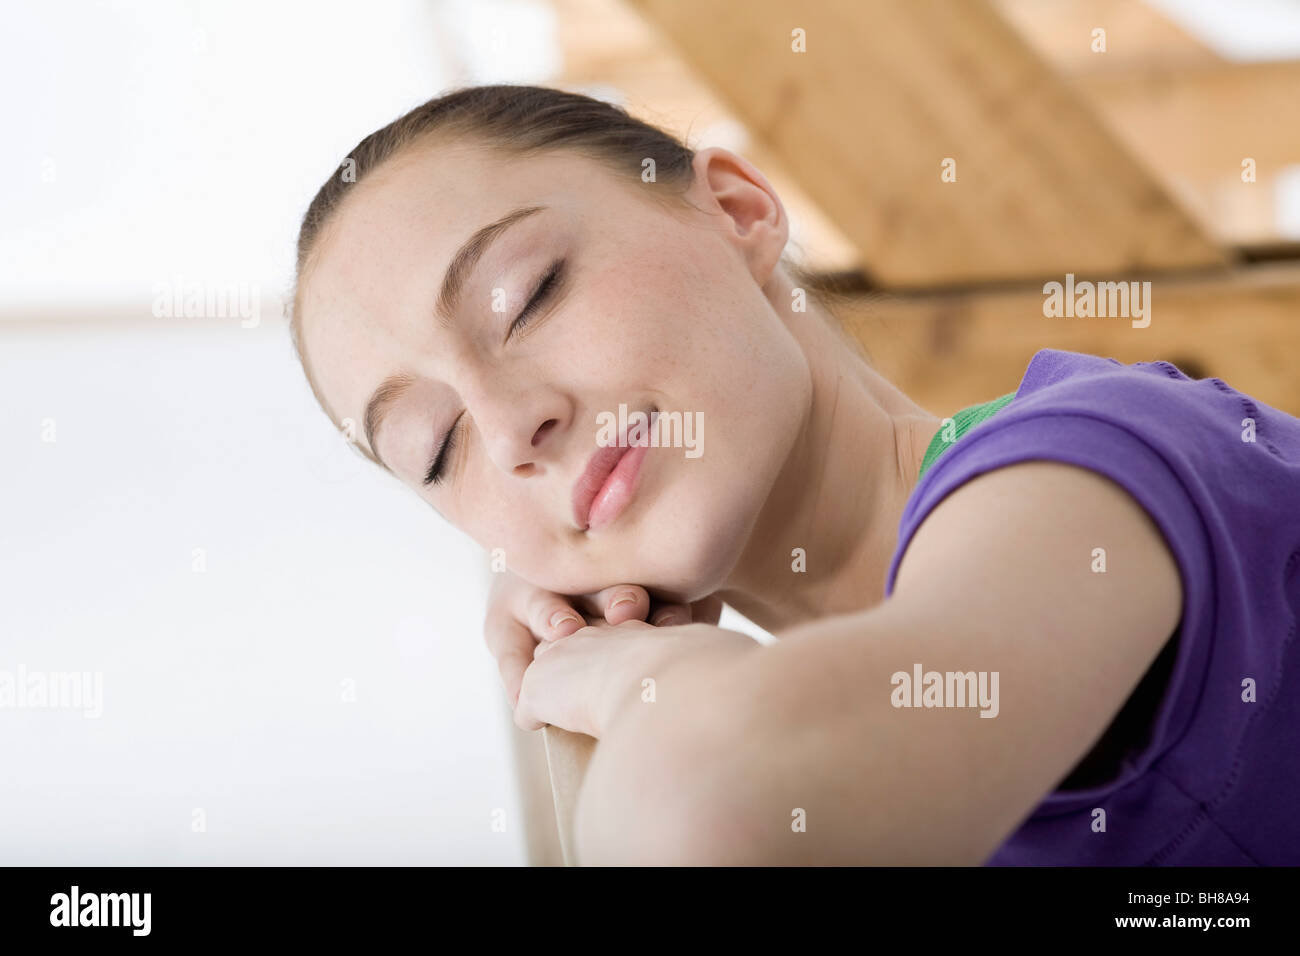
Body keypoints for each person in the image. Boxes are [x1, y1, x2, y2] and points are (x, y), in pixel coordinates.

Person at [288, 84, 1300, 865]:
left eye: (527, 293)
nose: (512, 421)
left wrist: (620, 681)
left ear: (734, 210)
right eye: (435, 444)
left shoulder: (1094, 463)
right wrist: (579, 717)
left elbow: (721, 796)